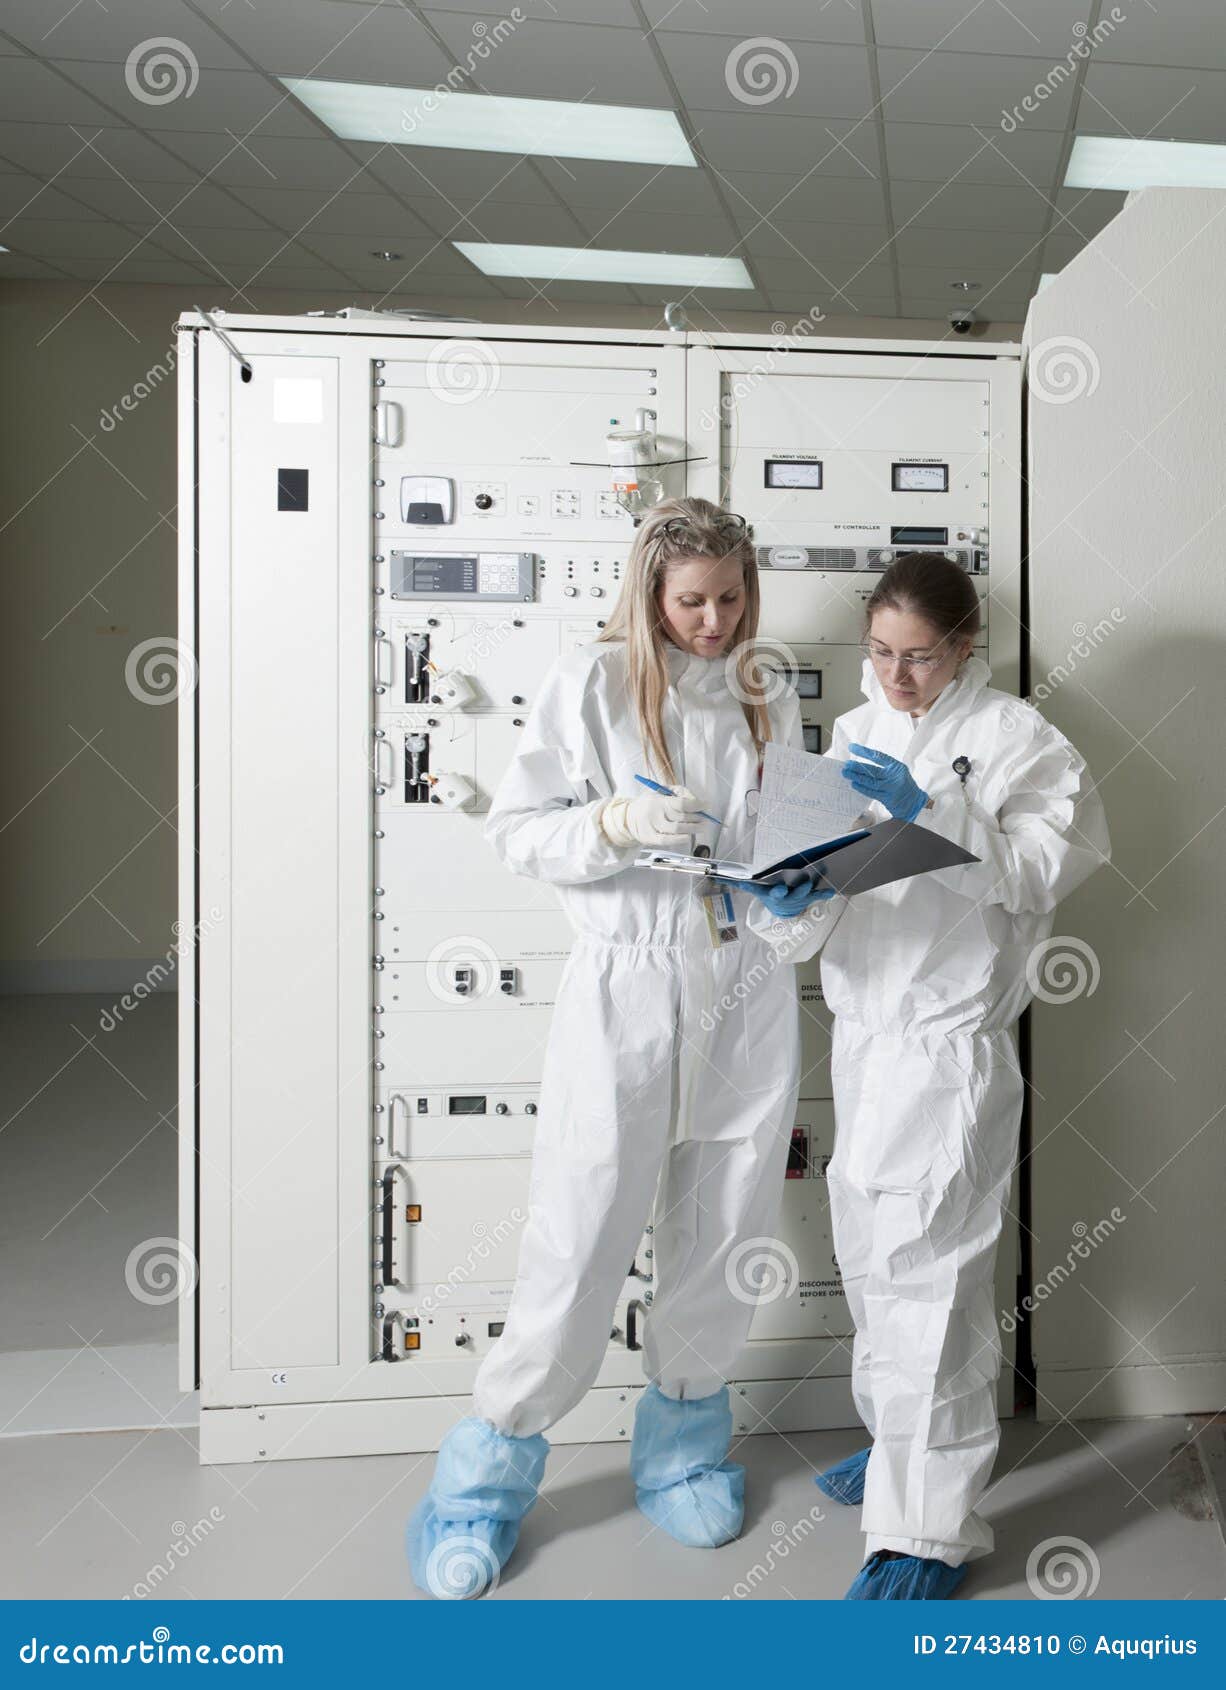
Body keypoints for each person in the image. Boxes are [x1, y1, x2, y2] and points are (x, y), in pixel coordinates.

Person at [406, 498, 829, 1599]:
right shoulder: (589, 683)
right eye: (691, 601)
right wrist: (609, 826)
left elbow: (789, 845)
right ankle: (482, 1481)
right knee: (580, 1231)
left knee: (724, 1222)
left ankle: (684, 1449)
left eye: (730, 597)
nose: (714, 620)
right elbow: (516, 832)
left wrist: (800, 895)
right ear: (649, 594)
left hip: (743, 986)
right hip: (624, 987)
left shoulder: (765, 689)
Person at [737, 552, 1111, 1600]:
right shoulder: (856, 733)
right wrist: (789, 899)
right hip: (865, 1044)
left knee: (932, 1287)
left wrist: (933, 813)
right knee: (871, 1264)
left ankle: (926, 1530)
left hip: (948, 1050)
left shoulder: (1018, 740)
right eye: (880, 654)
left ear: (964, 647)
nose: (895, 678)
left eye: (919, 658)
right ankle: (894, 1449)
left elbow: (1041, 873)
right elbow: (820, 911)